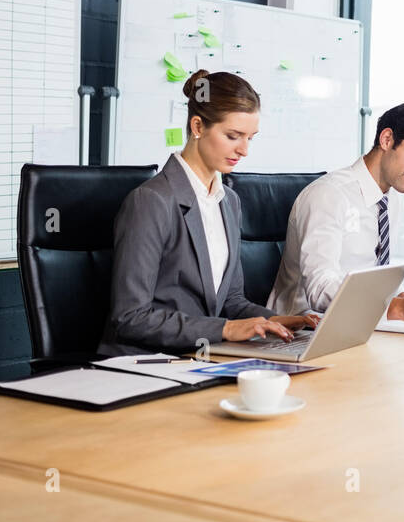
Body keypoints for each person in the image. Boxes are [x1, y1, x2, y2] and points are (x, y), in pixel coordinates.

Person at [99, 70, 312, 356]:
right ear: (198, 126)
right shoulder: (151, 201)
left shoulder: (229, 202)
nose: (244, 150)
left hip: (201, 356)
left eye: (251, 138)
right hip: (147, 363)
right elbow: (130, 318)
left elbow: (231, 301)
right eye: (233, 136)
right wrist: (224, 329)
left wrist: (272, 320)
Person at [268, 102, 404, 323]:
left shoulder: (390, 201)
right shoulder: (329, 195)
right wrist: (396, 307)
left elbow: (375, 278)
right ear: (387, 140)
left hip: (358, 325)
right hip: (299, 329)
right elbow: (320, 288)